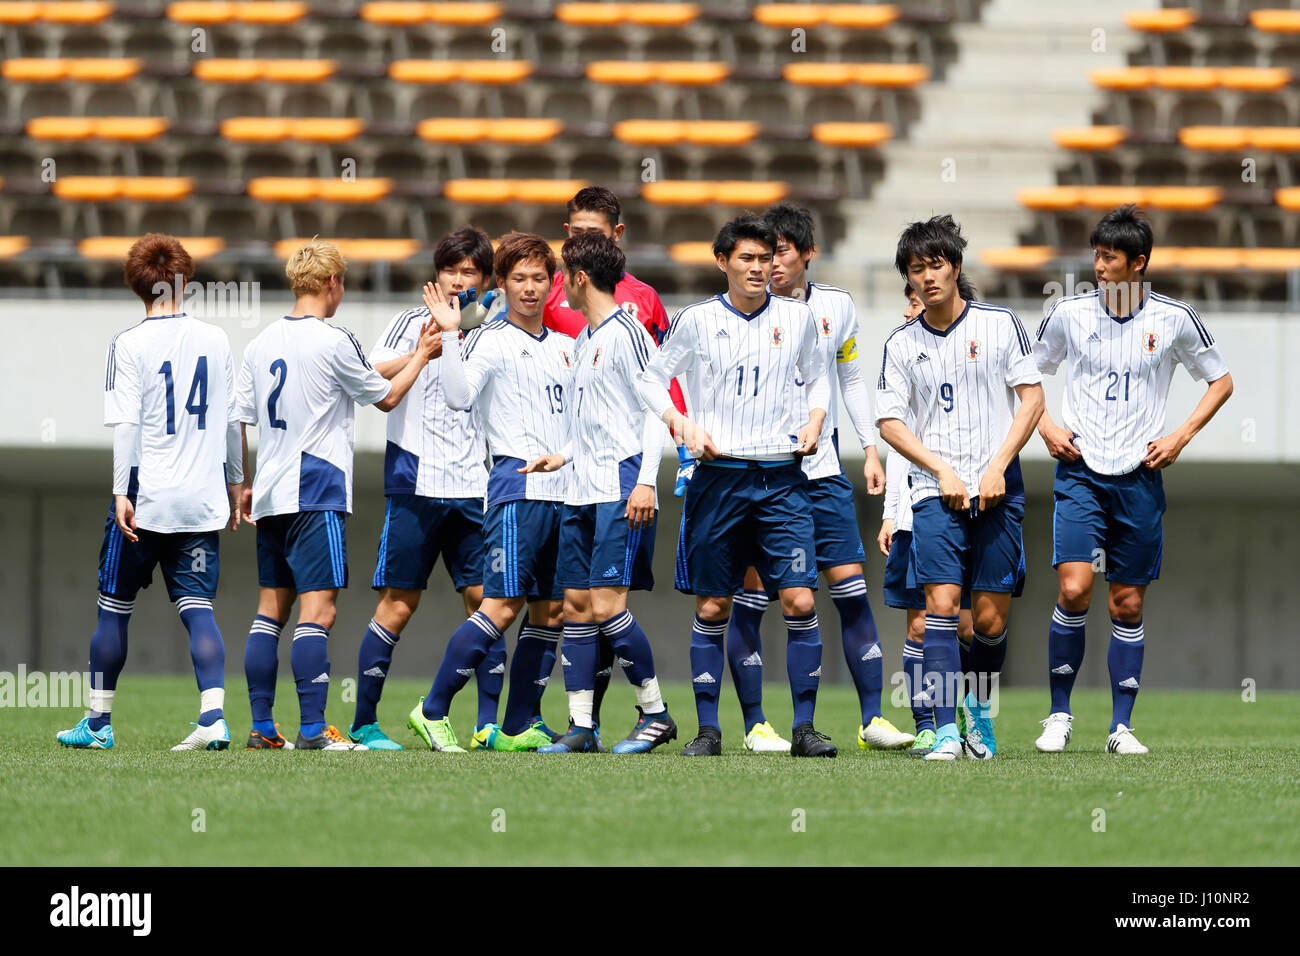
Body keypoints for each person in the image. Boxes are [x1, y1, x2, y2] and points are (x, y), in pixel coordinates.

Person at [1032, 204, 1232, 755]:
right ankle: (1058, 716)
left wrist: (1180, 437)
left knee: (1127, 604)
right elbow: (1024, 376)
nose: (1097, 266)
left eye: (1109, 257)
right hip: (1079, 472)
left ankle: (1121, 727)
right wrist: (1046, 427)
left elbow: (1220, 381)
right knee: (1074, 588)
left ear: (1138, 263)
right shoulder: (1068, 313)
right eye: (1095, 255)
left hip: (1139, 477)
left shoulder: (1174, 319)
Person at [638, 215, 837, 758]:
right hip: (718, 483)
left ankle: (804, 729)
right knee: (711, 608)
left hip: (782, 481)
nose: (759, 268)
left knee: (798, 599)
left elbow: (821, 376)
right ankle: (708, 731)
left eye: (766, 258)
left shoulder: (797, 318)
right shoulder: (697, 320)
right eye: (746, 258)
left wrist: (817, 420)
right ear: (722, 261)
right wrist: (682, 425)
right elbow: (651, 379)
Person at [239, 238, 436, 751]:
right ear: (332, 283)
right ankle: (312, 730)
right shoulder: (334, 338)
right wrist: (425, 354)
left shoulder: (260, 344)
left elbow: (238, 419)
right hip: (316, 489)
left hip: (271, 491)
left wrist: (240, 482)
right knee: (319, 612)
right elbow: (387, 397)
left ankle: (262, 727)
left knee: (268, 612)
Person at [721, 203, 903, 754]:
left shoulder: (837, 308)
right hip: (761, 475)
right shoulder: (745, 310)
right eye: (760, 254)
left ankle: (870, 719)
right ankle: (756, 724)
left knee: (849, 591)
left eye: (779, 253)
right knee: (754, 600)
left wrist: (870, 448)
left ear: (806, 255)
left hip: (822, 474)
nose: (769, 264)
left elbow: (849, 377)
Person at [59, 234, 243, 751]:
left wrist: (121, 491)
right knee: (198, 609)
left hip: (145, 496)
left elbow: (126, 426)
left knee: (113, 607)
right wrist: (235, 483)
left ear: (135, 283)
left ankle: (97, 725)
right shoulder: (216, 338)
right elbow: (232, 422)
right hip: (204, 497)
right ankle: (213, 718)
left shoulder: (128, 343)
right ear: (185, 279)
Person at [876, 215, 1045, 761]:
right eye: (916, 268)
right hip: (934, 492)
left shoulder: (1000, 324)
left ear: (955, 267)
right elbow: (890, 423)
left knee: (990, 623)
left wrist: (998, 464)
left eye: (936, 265)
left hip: (998, 487)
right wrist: (940, 470)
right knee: (942, 607)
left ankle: (978, 709)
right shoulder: (900, 344)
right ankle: (947, 731)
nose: (927, 277)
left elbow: (1033, 399)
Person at [409, 232, 575, 753]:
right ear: (500, 284)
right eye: (519, 278)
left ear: (554, 285)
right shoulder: (487, 339)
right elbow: (458, 398)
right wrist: (454, 335)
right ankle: (432, 709)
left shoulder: (572, 347)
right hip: (515, 487)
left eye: (539, 278)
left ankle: (517, 724)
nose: (530, 288)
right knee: (501, 606)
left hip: (564, 491)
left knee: (551, 611)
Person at [521, 231, 678, 753]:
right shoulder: (586, 339)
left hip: (619, 485)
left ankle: (655, 713)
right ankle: (582, 727)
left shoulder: (628, 331)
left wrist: (646, 481)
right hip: (579, 489)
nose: (556, 286)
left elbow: (656, 407)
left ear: (579, 277)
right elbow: (598, 419)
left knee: (609, 606)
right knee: (576, 605)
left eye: (562, 274)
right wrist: (561, 455)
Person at [347, 227, 504, 750]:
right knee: (398, 605)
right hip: (414, 481)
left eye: (470, 273)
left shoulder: (494, 329)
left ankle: (488, 725)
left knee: (488, 603)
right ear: (436, 274)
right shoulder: (406, 321)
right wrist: (421, 348)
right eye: (451, 270)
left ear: (485, 283)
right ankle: (365, 722)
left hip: (473, 486)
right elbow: (366, 373)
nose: (459, 281)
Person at [878, 281, 977, 757]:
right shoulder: (901, 359)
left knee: (971, 626)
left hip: (967, 506)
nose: (908, 309)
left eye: (915, 302)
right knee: (920, 625)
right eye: (909, 300)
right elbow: (897, 450)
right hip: (914, 513)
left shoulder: (964, 360)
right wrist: (890, 515)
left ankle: (973, 715)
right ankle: (928, 723)